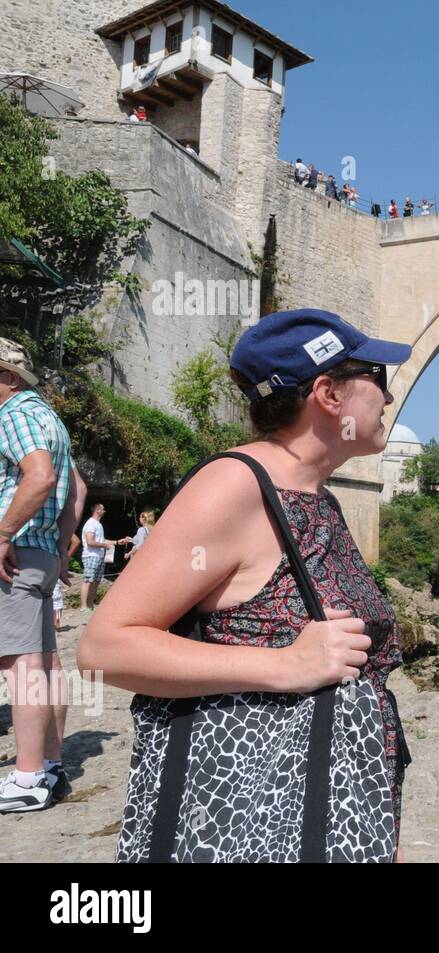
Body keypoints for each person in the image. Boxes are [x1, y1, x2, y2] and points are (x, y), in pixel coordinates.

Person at [80, 308, 413, 861]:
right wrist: (282, 666)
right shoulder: (234, 486)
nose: (389, 396)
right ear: (329, 393)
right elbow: (104, 648)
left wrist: (382, 831)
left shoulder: (315, 496)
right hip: (248, 825)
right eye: (377, 377)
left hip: (335, 815)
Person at [0, 337, 86, 813]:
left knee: (19, 663)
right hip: (40, 554)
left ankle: (28, 776)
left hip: (15, 555)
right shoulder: (48, 418)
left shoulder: (11, 415)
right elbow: (77, 485)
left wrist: (3, 533)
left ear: (9, 378)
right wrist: (60, 542)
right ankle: (50, 765)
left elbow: (41, 477)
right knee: (46, 662)